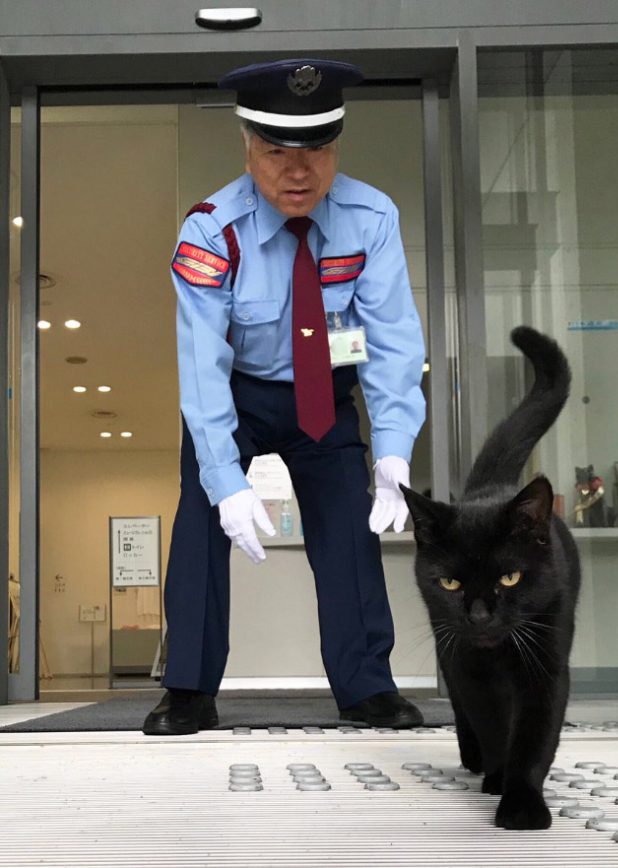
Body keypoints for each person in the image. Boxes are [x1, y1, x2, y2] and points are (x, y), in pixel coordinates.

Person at [143, 58, 426, 735]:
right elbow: (202, 365)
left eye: (318, 149)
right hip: (236, 395)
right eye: (277, 151)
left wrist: (393, 449)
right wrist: (223, 478)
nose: (299, 171)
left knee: (347, 525)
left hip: (323, 391)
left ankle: (367, 688)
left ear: (336, 147)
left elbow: (390, 340)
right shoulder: (211, 232)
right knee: (201, 519)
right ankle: (187, 689)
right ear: (247, 144)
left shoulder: (371, 219)